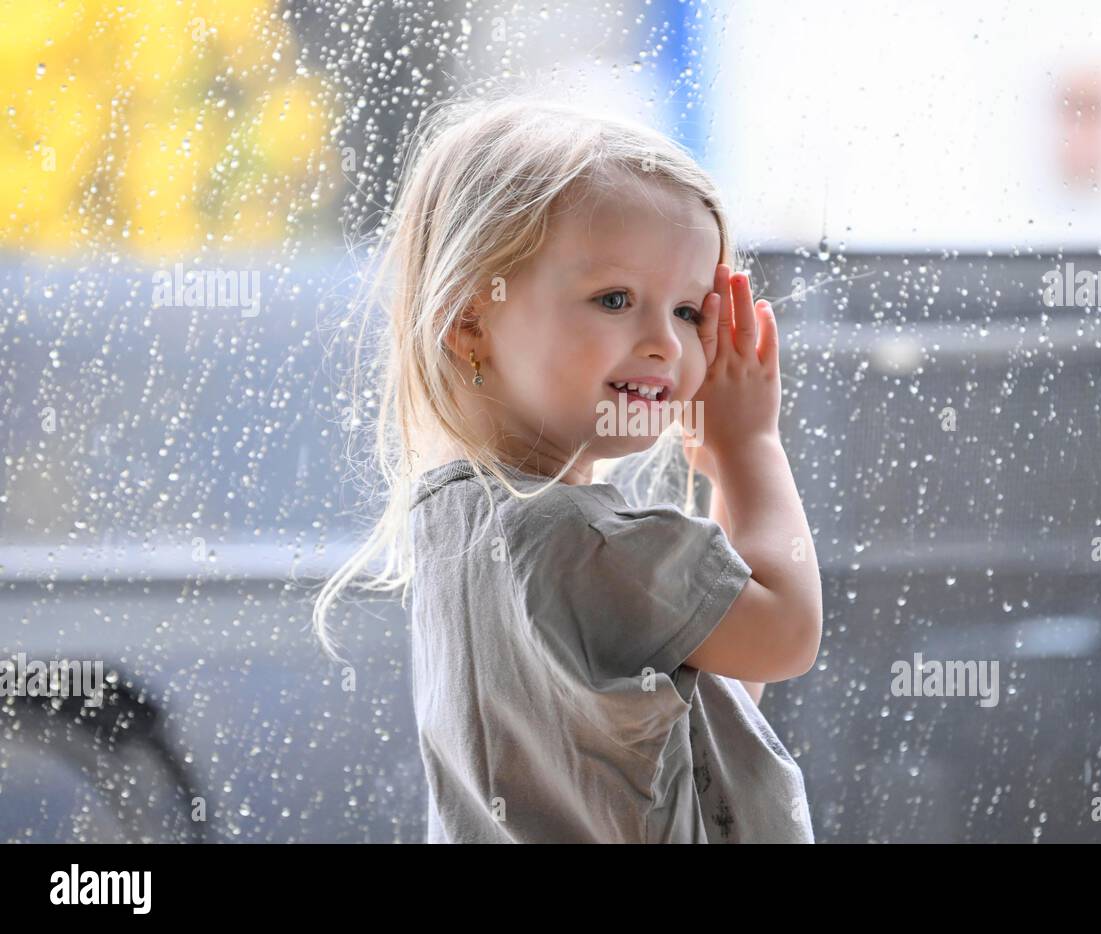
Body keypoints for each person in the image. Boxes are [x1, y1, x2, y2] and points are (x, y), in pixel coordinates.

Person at [313, 88, 823, 842]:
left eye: (688, 310)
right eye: (615, 298)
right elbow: (784, 633)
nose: (665, 344)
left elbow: (720, 693)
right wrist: (750, 449)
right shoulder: (577, 537)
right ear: (469, 323)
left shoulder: (457, 521)